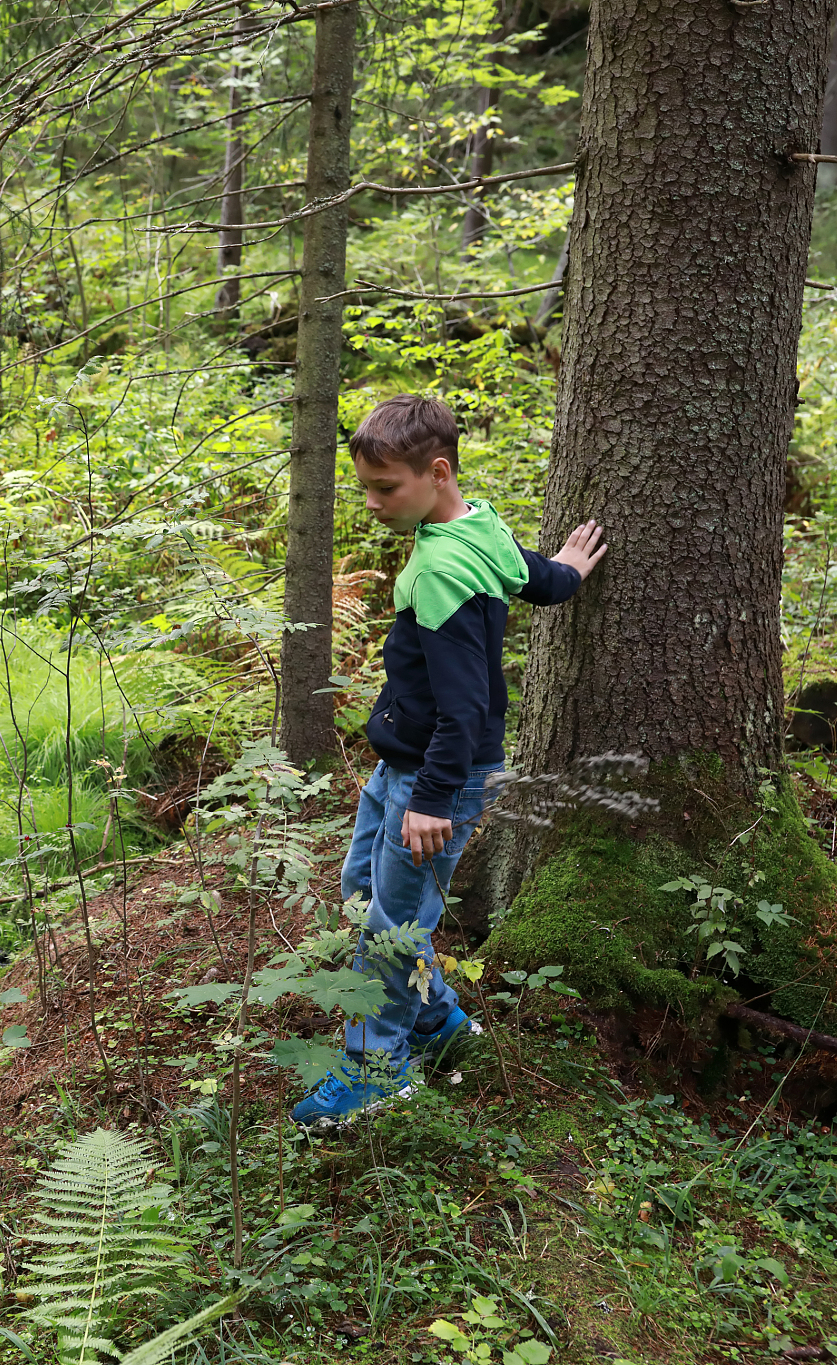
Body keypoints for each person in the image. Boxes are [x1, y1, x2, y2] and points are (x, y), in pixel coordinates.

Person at [293, 394, 606, 1127]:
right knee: (365, 893)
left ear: (437, 473)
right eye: (366, 487)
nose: (371, 503)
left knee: (389, 930)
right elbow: (539, 580)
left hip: (436, 777)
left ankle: (377, 1070)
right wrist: (568, 568)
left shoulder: (440, 571)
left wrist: (432, 797)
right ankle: (437, 1025)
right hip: (406, 767)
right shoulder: (480, 527)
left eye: (385, 487)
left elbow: (465, 707)